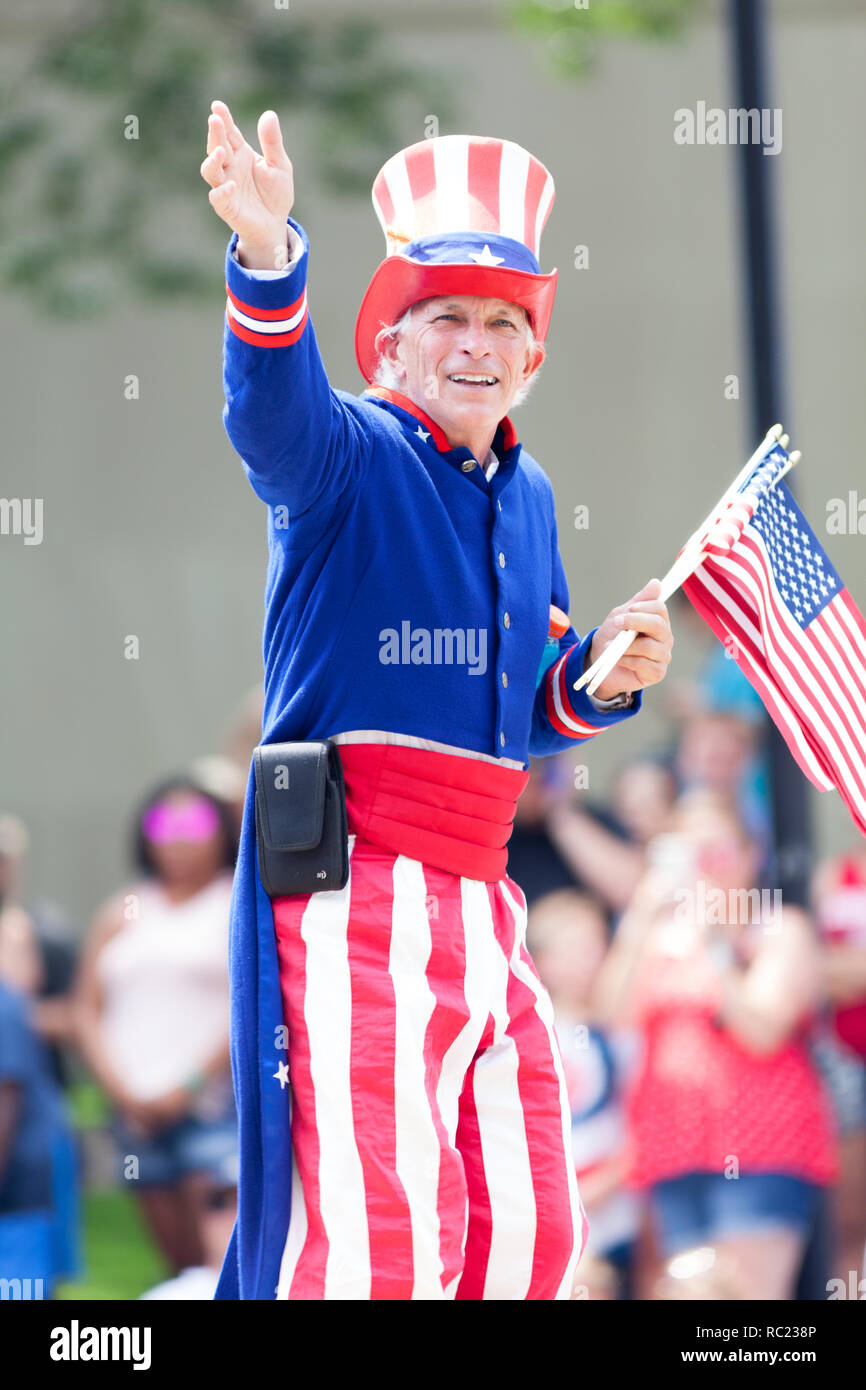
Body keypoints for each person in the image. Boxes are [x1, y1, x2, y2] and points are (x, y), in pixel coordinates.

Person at [201, 102, 674, 1300]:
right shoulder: (349, 451)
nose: (477, 340)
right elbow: (268, 417)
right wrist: (267, 255)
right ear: (388, 349)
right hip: (358, 891)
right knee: (372, 1240)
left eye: (503, 320)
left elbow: (524, 711)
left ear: (533, 355)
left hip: (484, 894)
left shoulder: (527, 492)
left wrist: (596, 680)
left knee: (526, 1234)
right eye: (447, 316)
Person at [593, 789, 839, 1300]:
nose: (705, 869)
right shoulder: (660, 934)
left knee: (749, 1304)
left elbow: (762, 1030)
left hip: (760, 1144)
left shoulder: (776, 928)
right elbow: (611, 1018)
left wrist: (715, 945)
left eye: (719, 853)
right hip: (672, 1148)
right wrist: (643, 914)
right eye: (690, 855)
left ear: (751, 856)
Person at [73, 776, 238, 1277]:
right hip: (135, 1116)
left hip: (211, 1111)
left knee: (221, 1263)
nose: (180, 837)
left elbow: (247, 1004)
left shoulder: (236, 900)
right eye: (165, 824)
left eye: (195, 823)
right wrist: (121, 1091)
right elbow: (86, 1007)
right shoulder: (126, 908)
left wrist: (187, 1086)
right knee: (178, 1269)